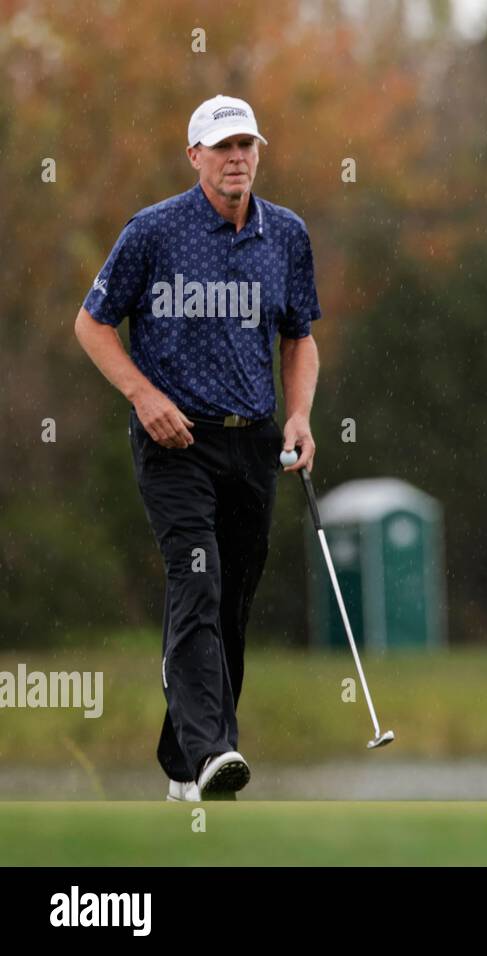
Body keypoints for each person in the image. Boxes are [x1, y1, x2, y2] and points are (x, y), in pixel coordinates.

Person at [73, 95, 322, 801]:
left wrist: (300, 415)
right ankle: (215, 751)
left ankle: (184, 761)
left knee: (232, 603)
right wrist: (143, 396)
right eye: (221, 147)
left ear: (258, 153)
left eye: (245, 145)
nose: (236, 157)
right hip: (174, 442)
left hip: (255, 445)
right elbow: (93, 326)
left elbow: (299, 336)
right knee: (198, 580)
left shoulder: (289, 235)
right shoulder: (152, 231)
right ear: (195, 158)